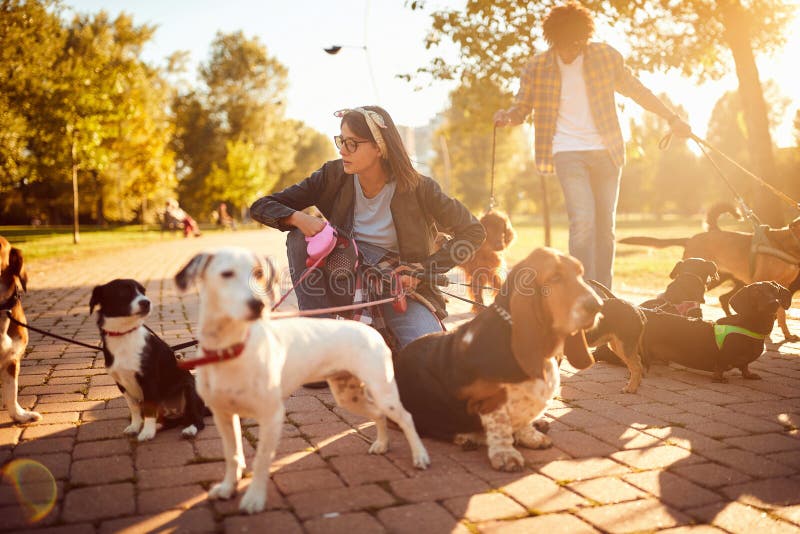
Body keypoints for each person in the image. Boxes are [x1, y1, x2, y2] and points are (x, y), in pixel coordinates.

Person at [251, 106, 485, 367]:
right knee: (298, 236)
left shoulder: (420, 188)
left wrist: (424, 269)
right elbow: (262, 205)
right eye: (341, 141)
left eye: (352, 143)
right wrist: (297, 218)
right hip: (344, 279)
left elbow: (473, 231)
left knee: (429, 361)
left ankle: (380, 341)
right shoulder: (332, 175)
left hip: (399, 289)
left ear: (379, 147)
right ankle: (318, 344)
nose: (342, 150)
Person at [494, 1, 691, 288]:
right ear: (554, 40)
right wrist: (508, 117)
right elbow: (522, 106)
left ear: (585, 37)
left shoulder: (604, 56)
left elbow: (637, 90)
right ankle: (582, 290)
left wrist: (671, 117)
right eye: (566, 45)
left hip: (606, 151)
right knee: (583, 221)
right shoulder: (538, 66)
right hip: (566, 151)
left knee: (605, 229)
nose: (572, 51)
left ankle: (604, 294)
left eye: (577, 44)